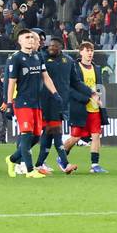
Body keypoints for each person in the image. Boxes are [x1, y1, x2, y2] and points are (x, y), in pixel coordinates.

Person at [5, 28, 61, 179]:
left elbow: (46, 77)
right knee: (26, 135)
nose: (30, 39)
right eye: (26, 37)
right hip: (23, 103)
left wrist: (55, 93)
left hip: (37, 103)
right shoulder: (15, 59)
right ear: (20, 41)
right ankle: (30, 170)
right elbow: (11, 83)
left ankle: (11, 160)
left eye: (31, 37)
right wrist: (9, 104)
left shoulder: (37, 57)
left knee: (36, 137)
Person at [35, 37, 77, 175]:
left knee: (48, 137)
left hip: (58, 104)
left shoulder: (68, 61)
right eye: (50, 45)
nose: (51, 48)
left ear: (61, 47)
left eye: (54, 46)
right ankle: (64, 163)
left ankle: (38, 165)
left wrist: (90, 93)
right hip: (44, 103)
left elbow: (75, 82)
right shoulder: (42, 58)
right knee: (53, 135)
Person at [67, 41, 108, 173]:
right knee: (76, 137)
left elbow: (99, 86)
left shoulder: (96, 68)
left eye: (91, 51)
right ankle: (62, 156)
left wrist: (100, 99)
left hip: (94, 108)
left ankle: (95, 165)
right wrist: (85, 98)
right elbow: (71, 87)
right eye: (87, 50)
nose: (90, 53)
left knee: (96, 135)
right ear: (81, 52)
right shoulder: (75, 67)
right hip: (80, 107)